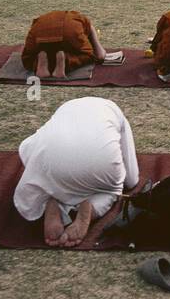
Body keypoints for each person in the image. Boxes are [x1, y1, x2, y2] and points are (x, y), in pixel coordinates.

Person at [14, 97, 139, 247]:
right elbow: (131, 179)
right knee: (113, 190)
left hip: (53, 164)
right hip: (101, 166)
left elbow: (26, 147)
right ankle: (91, 209)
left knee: (46, 174)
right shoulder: (116, 113)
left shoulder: (65, 109)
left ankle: (52, 201)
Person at [21, 9, 122, 78]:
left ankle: (38, 62)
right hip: (69, 29)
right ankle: (66, 60)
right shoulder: (86, 24)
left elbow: (27, 50)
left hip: (39, 29)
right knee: (88, 55)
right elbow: (99, 55)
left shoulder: (43, 18)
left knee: (27, 58)